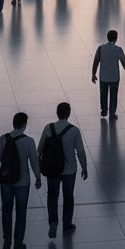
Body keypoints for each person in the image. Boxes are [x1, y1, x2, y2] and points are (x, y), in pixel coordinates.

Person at [0, 111, 41, 249]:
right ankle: (18, 242)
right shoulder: (29, 141)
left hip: (6, 181)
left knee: (7, 210)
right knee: (21, 212)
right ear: (24, 125)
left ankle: (7, 240)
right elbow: (34, 162)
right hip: (23, 182)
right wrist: (38, 177)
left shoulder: (3, 139)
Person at [37, 102, 87, 239]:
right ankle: (67, 225)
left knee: (52, 195)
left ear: (57, 113)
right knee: (68, 196)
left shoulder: (48, 128)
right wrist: (84, 167)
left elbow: (39, 149)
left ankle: (53, 221)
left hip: (52, 169)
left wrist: (39, 168)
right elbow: (81, 152)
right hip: (69, 170)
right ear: (69, 113)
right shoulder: (74, 130)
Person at [92, 30, 125, 120]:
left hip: (103, 77)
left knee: (103, 94)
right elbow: (124, 62)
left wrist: (93, 74)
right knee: (113, 95)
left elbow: (96, 62)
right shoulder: (118, 49)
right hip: (114, 77)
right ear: (116, 38)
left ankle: (104, 111)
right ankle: (112, 113)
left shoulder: (101, 48)